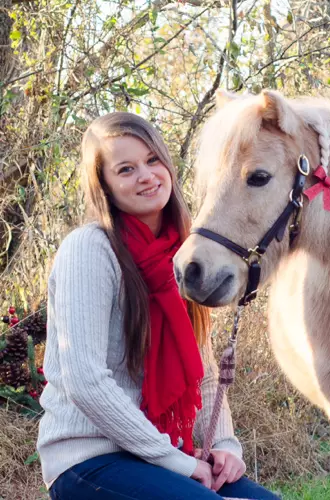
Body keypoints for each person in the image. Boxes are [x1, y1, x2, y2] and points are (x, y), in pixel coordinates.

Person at [37, 112, 280, 500]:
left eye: (152, 160)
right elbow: (85, 380)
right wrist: (181, 463)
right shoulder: (89, 249)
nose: (146, 176)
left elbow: (201, 369)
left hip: (162, 454)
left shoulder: (183, 253)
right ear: (106, 186)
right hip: (89, 460)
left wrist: (225, 446)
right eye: (126, 169)